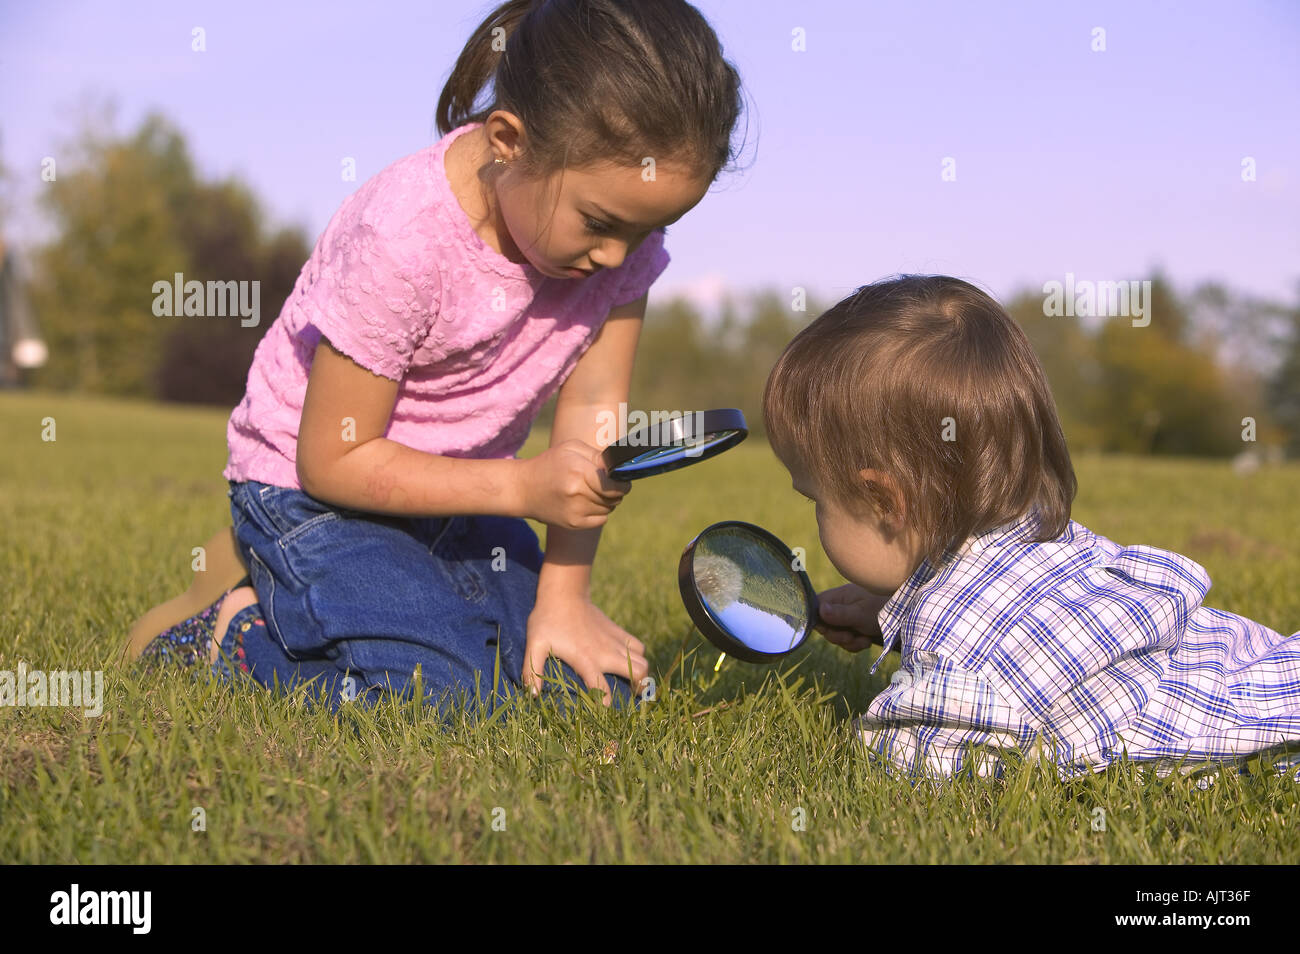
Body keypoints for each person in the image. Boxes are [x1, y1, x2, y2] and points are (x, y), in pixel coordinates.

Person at [124, 0, 744, 718]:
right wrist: (520, 490)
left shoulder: (619, 251)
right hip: (311, 492)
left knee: (582, 690)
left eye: (648, 232)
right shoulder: (403, 240)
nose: (618, 257)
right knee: (437, 696)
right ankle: (229, 630)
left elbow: (593, 422)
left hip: (460, 500)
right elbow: (333, 460)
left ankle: (297, 586)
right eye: (600, 224)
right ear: (510, 141)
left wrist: (565, 602)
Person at [762, 275, 1300, 782]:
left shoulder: (965, 667)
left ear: (883, 500)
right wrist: (901, 621)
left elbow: (914, 761)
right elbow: (1021, 639)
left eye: (815, 500)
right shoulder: (1044, 536)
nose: (813, 514)